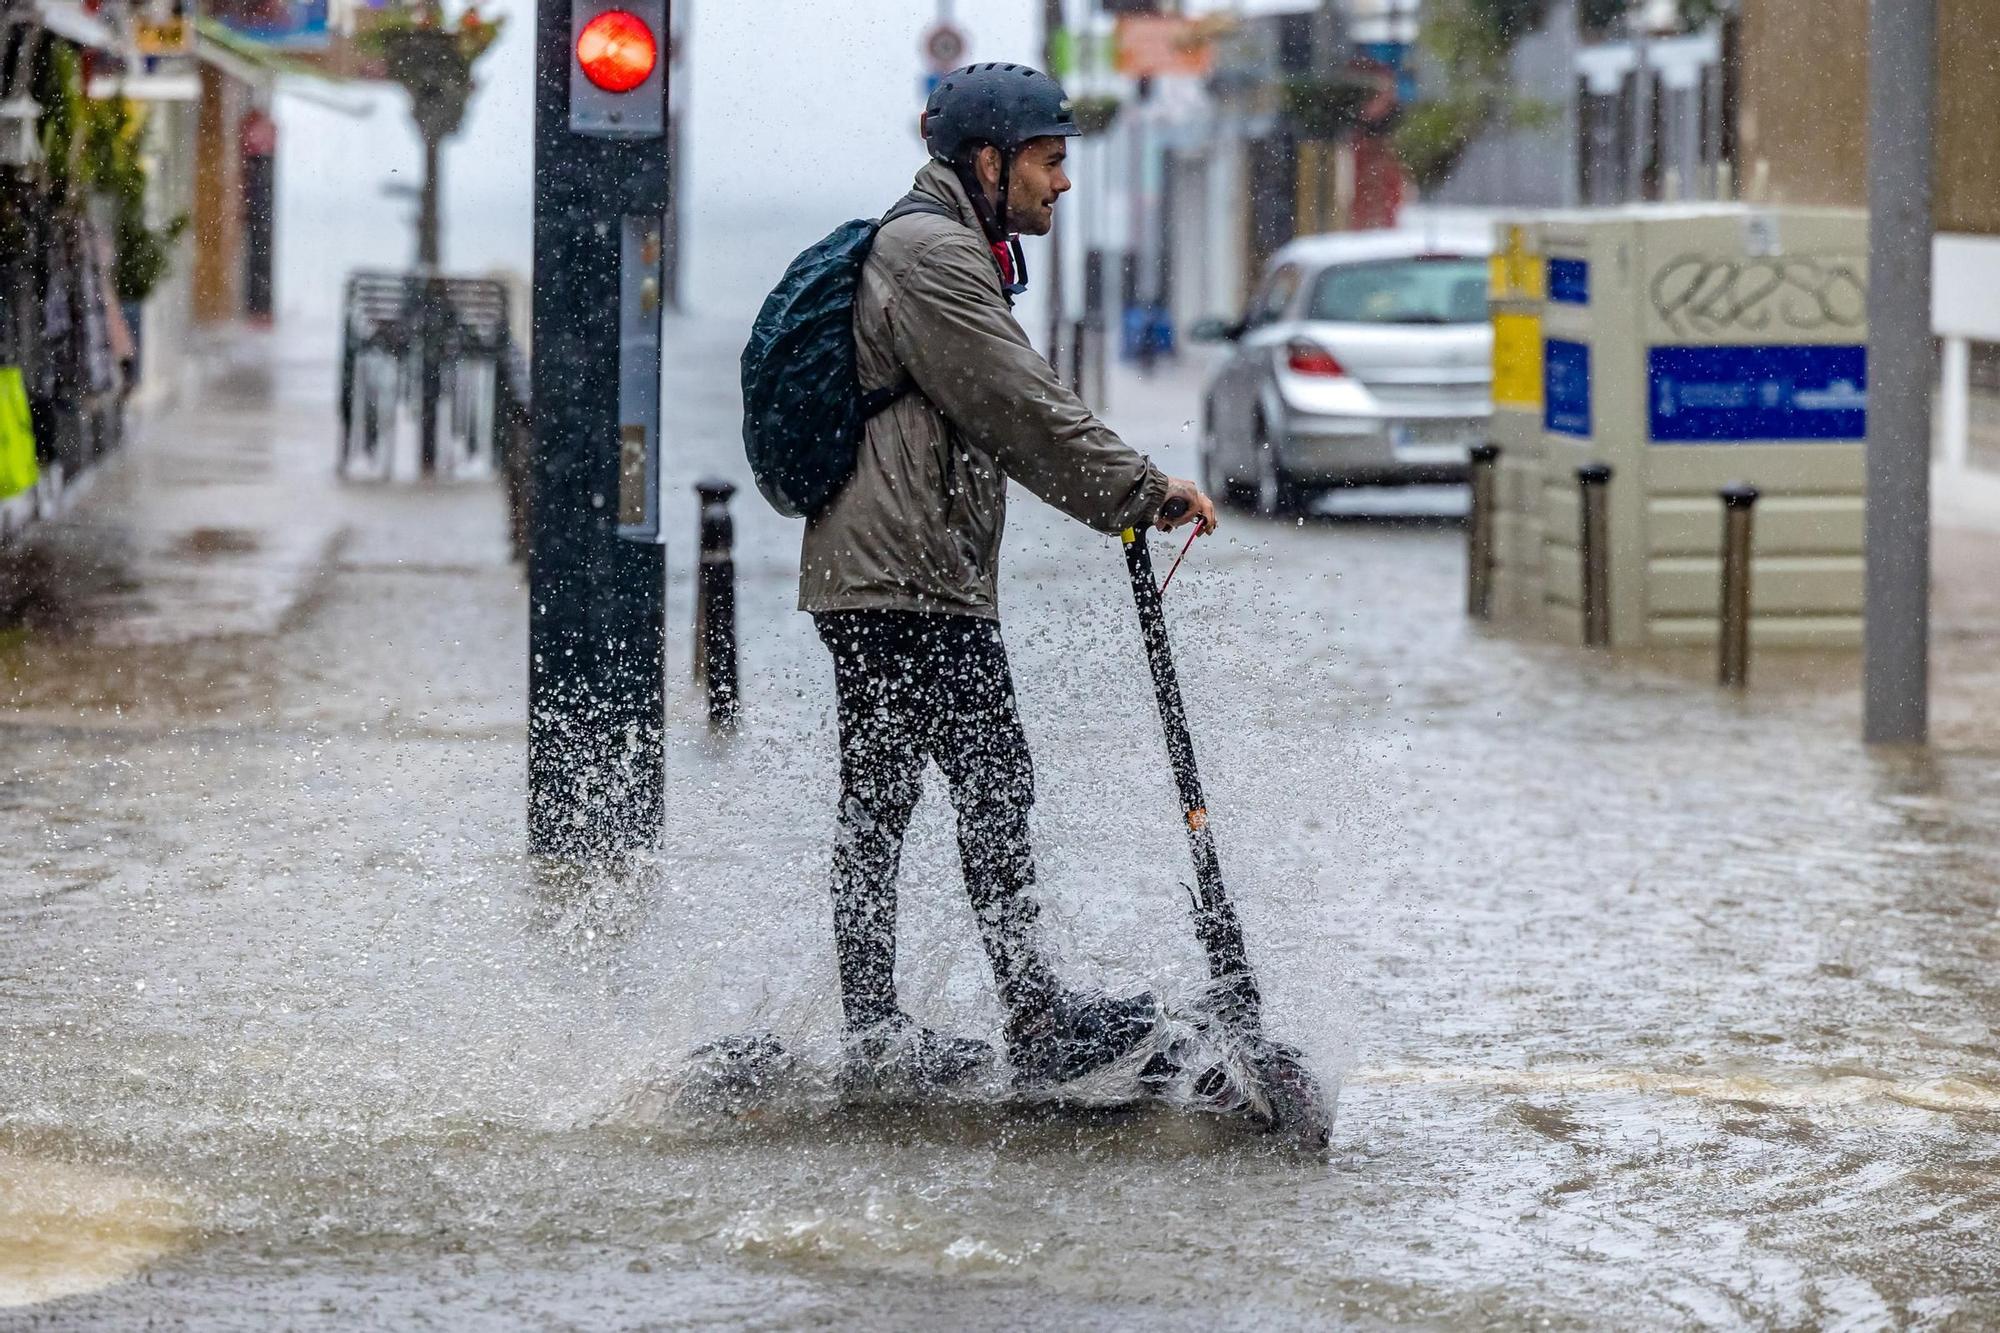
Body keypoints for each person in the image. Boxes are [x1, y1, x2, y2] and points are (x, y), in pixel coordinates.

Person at [799, 63, 1218, 1091]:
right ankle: (1004, 1020)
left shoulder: (950, 245)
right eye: (1047, 160)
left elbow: (1004, 412)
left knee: (917, 790)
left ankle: (894, 1028)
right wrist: (1136, 488)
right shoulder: (931, 253)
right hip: (897, 576)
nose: (1059, 183)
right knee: (949, 786)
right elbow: (1017, 403)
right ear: (987, 161)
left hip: (902, 569)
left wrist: (1118, 490)